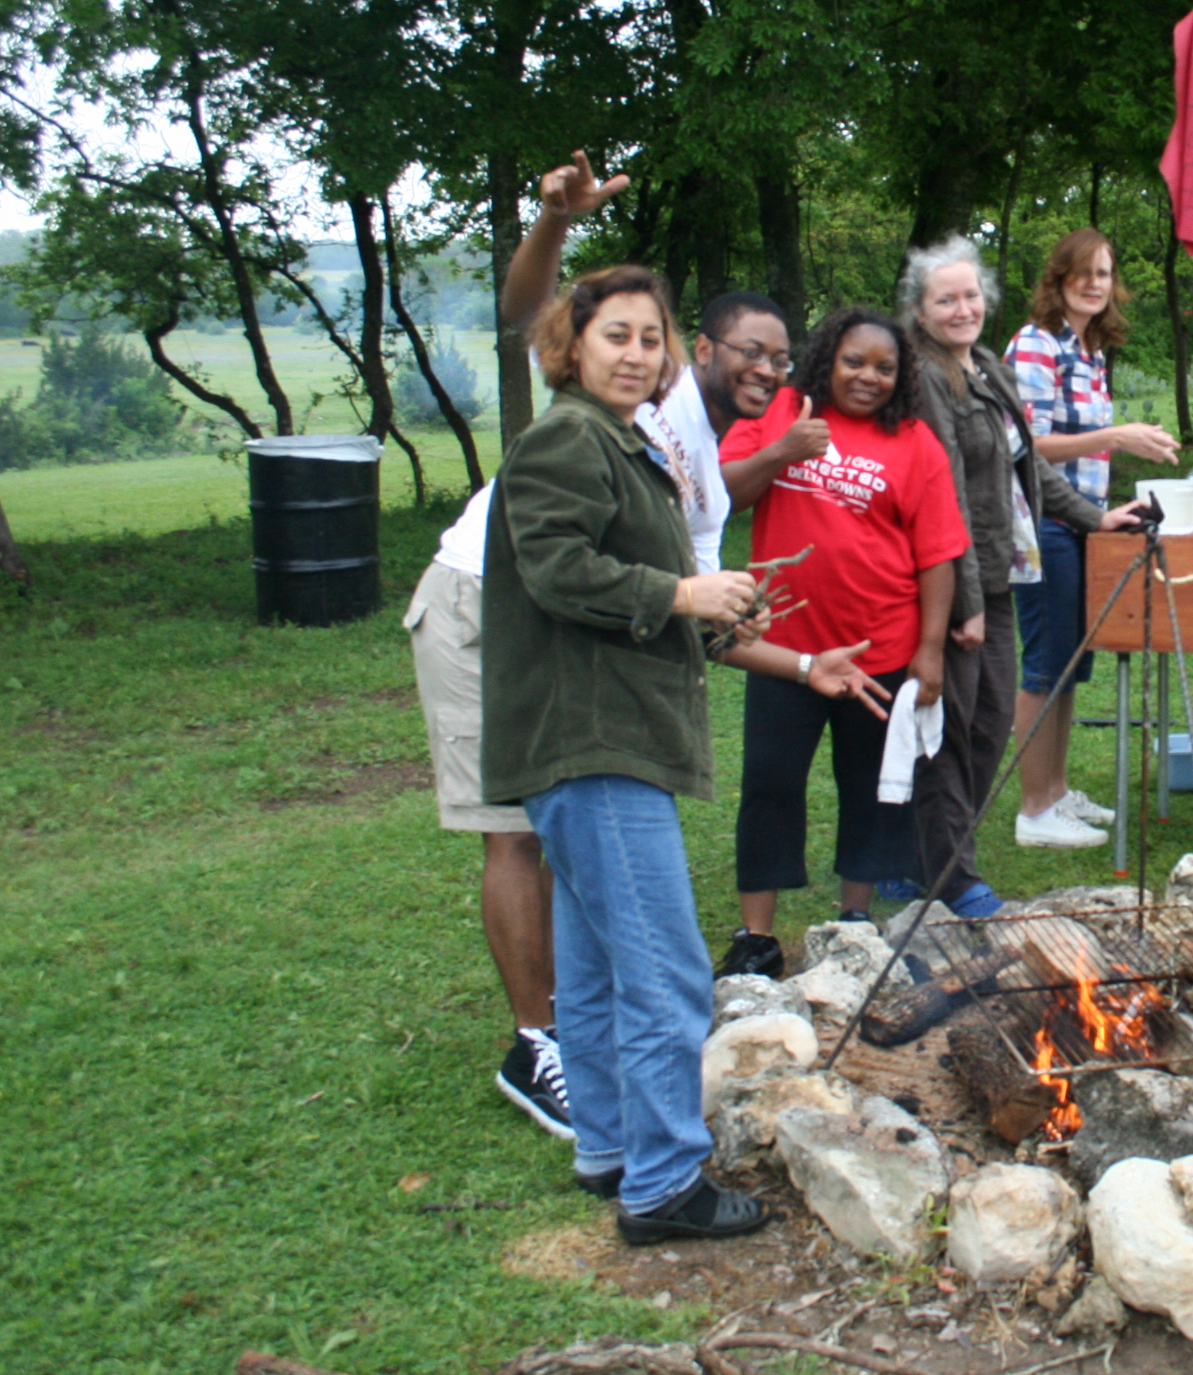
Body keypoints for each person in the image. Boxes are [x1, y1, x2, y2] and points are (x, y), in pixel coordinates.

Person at [403, 153, 808, 1140]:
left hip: (576, 631)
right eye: (748, 350)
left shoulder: (699, 463)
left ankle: (587, 1075)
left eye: (780, 359)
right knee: (515, 826)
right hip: (481, 598)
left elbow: (687, 604)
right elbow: (530, 309)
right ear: (700, 350)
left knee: (567, 842)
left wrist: (763, 636)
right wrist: (551, 219)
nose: (764, 368)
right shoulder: (611, 400)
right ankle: (537, 1044)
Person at [480, 262, 884, 1243]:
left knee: (596, 968)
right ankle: (665, 1183)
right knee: (663, 969)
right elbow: (561, 568)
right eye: (615, 334)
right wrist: (681, 593)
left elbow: (657, 592)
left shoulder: (625, 443)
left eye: (649, 337)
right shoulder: (565, 438)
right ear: (573, 346)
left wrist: (775, 644)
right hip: (593, 739)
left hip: (605, 737)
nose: (635, 352)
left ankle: (613, 1148)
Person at [716, 309, 969, 977]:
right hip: (783, 649)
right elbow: (723, 495)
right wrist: (782, 451)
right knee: (769, 785)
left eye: (885, 368)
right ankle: (757, 937)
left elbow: (938, 555)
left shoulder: (915, 443)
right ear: (828, 358)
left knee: (871, 791)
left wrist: (932, 650)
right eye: (855, 361)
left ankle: (855, 918)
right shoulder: (785, 413)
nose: (869, 377)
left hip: (879, 652)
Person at [902, 236, 1143, 897]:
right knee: (953, 726)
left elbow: (1027, 464)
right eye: (945, 299)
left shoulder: (983, 364)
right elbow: (946, 488)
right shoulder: (924, 375)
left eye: (970, 295)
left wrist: (1098, 518)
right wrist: (967, 598)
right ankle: (948, 876)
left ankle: (923, 859)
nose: (961, 308)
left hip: (1008, 566)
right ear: (920, 311)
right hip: (956, 578)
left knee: (987, 721)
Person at [1005, 229, 1179, 845]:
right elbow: (1026, 444)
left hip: (1083, 522)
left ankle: (1055, 791)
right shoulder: (1035, 344)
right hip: (1041, 524)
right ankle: (1033, 809)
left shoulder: (1090, 350)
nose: (1094, 283)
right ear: (1057, 280)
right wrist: (1118, 436)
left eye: (1104, 273)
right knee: (1046, 662)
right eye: (1082, 273)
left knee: (1072, 664)